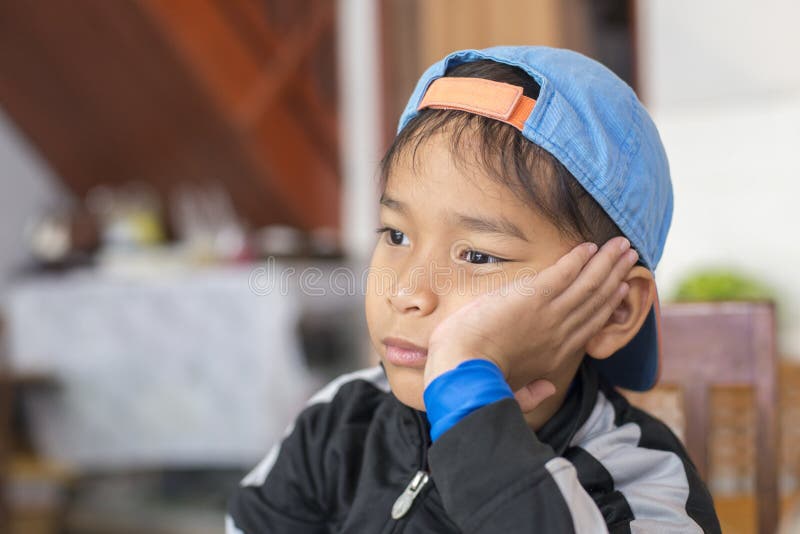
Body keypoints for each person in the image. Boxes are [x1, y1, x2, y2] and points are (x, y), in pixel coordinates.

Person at [226, 46, 721, 533]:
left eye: (478, 256)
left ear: (613, 309)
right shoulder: (341, 421)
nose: (407, 291)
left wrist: (470, 407)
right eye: (396, 235)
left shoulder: (641, 486)